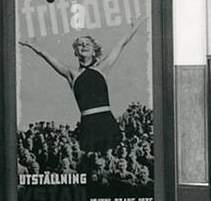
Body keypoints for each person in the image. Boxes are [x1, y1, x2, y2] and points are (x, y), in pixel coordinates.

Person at [19, 20, 143, 153]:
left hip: (107, 121)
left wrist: (135, 27)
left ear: (94, 51)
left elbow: (122, 43)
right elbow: (48, 58)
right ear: (75, 52)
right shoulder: (71, 74)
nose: (83, 45)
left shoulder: (102, 68)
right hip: (88, 124)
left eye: (87, 43)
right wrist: (33, 46)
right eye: (79, 44)